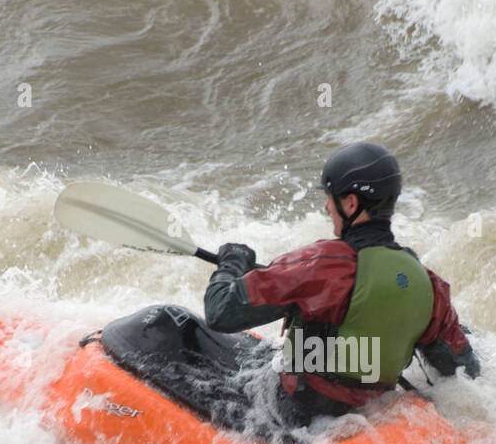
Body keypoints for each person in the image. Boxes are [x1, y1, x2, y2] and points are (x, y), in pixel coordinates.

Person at [204, 141, 479, 428]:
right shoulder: (429, 285)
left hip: (298, 417)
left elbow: (220, 310)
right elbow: (461, 370)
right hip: (368, 415)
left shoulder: (322, 266)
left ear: (350, 203)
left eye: (331, 197)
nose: (326, 206)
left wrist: (232, 264)